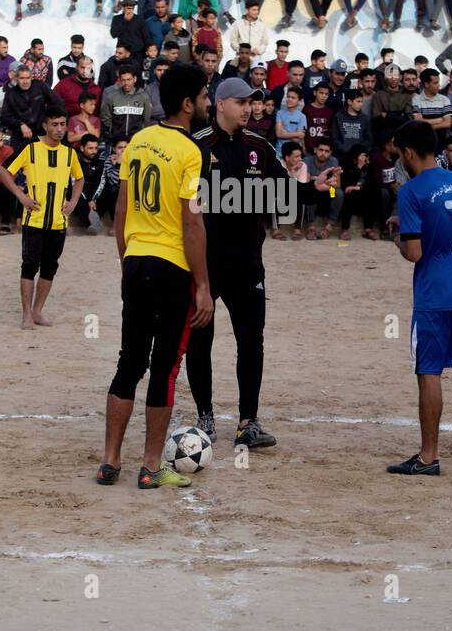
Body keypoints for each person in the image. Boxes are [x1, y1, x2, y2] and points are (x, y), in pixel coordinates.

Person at [186, 77, 334, 447]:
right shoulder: (197, 146)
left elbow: (284, 189)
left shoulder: (260, 147)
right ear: (220, 104)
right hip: (204, 266)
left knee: (251, 342)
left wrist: (314, 189)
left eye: (252, 103)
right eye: (241, 102)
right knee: (200, 341)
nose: (249, 109)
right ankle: (205, 418)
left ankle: (247, 422)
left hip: (249, 263)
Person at [99, 64, 214, 489]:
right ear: (187, 103)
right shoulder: (190, 151)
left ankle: (110, 461)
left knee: (129, 362)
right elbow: (193, 224)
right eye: (203, 97)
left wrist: (126, 260)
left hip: (137, 260)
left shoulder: (139, 141)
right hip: (172, 267)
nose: (207, 103)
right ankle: (150, 467)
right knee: (164, 368)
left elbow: (121, 211)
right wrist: (202, 285)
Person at [385, 120, 452, 475]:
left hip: (435, 296)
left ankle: (428, 457)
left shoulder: (411, 191)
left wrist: (398, 237)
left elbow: (414, 253)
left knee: (429, 370)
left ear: (409, 152)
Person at [0, 110, 83, 325]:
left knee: (50, 267)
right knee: (29, 266)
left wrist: (73, 202)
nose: (60, 129)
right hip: (34, 220)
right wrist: (21, 195)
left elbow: (80, 179)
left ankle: (37, 311)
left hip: (58, 222)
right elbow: (3, 171)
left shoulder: (70, 153)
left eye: (63, 124)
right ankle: (26, 314)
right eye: (54, 124)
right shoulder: (30, 149)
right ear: (45, 125)